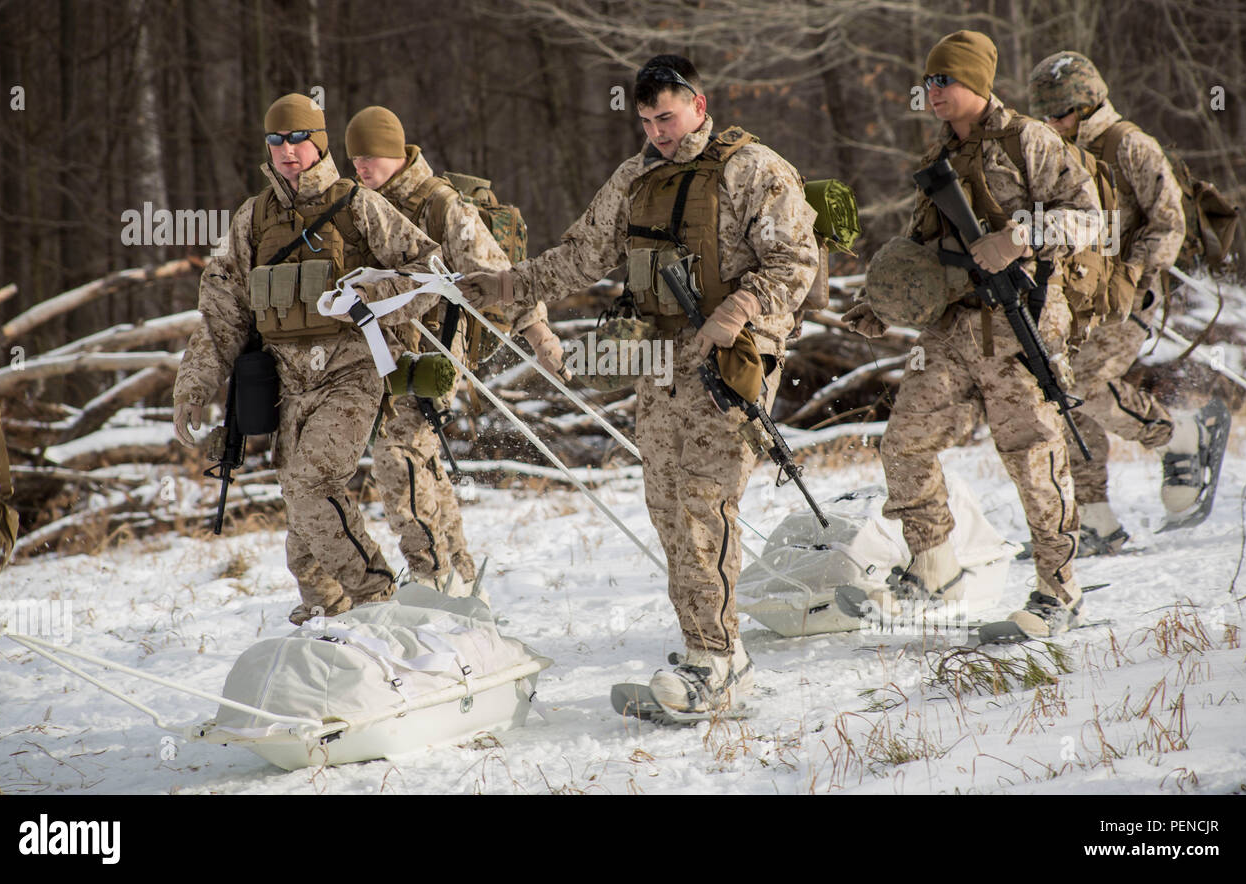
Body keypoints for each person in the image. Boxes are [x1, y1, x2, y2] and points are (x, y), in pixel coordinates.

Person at [460, 55, 818, 713]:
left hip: (729, 357)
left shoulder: (754, 170)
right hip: (658, 362)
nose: (658, 130)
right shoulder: (635, 177)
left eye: (669, 116)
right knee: (667, 505)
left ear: (699, 106)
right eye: (647, 119)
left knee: (704, 503)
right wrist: (509, 286)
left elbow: (795, 260)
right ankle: (713, 650)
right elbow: (581, 256)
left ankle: (715, 660)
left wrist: (737, 310)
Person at [843, 31, 1103, 637]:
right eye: (928, 81)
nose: (931, 91)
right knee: (904, 442)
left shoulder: (1029, 140)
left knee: (1033, 462)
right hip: (952, 331)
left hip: (1020, 327)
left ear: (977, 84)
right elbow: (921, 252)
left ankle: (1058, 593)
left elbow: (1091, 218)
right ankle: (933, 567)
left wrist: (1020, 237)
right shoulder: (941, 157)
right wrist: (879, 303)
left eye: (944, 81)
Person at [173, 93, 443, 625]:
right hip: (287, 382)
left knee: (310, 483)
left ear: (319, 143)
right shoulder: (254, 217)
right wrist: (193, 386)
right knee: (301, 519)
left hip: (352, 371)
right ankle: (328, 616)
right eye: (276, 140)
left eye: (298, 138)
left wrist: (372, 296)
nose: (287, 150)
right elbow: (221, 309)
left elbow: (430, 271)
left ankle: (376, 600)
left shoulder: (358, 205)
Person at [343, 105, 562, 597]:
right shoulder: (359, 204)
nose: (361, 165)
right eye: (355, 156)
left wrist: (538, 332)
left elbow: (500, 271)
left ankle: (430, 578)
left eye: (372, 155)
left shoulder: (441, 205)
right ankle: (459, 576)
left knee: (398, 458)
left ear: (396, 152)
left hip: (436, 351)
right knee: (423, 464)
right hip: (381, 353)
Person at [1028, 51, 1228, 550]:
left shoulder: (1131, 145)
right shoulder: (1055, 152)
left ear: (1088, 103)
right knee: (1062, 394)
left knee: (1085, 382)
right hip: (1073, 298)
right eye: (1046, 114)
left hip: (1129, 297)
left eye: (1060, 113)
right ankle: (1093, 515)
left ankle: (1178, 434)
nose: (1052, 123)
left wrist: (1136, 275)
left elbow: (1168, 223)